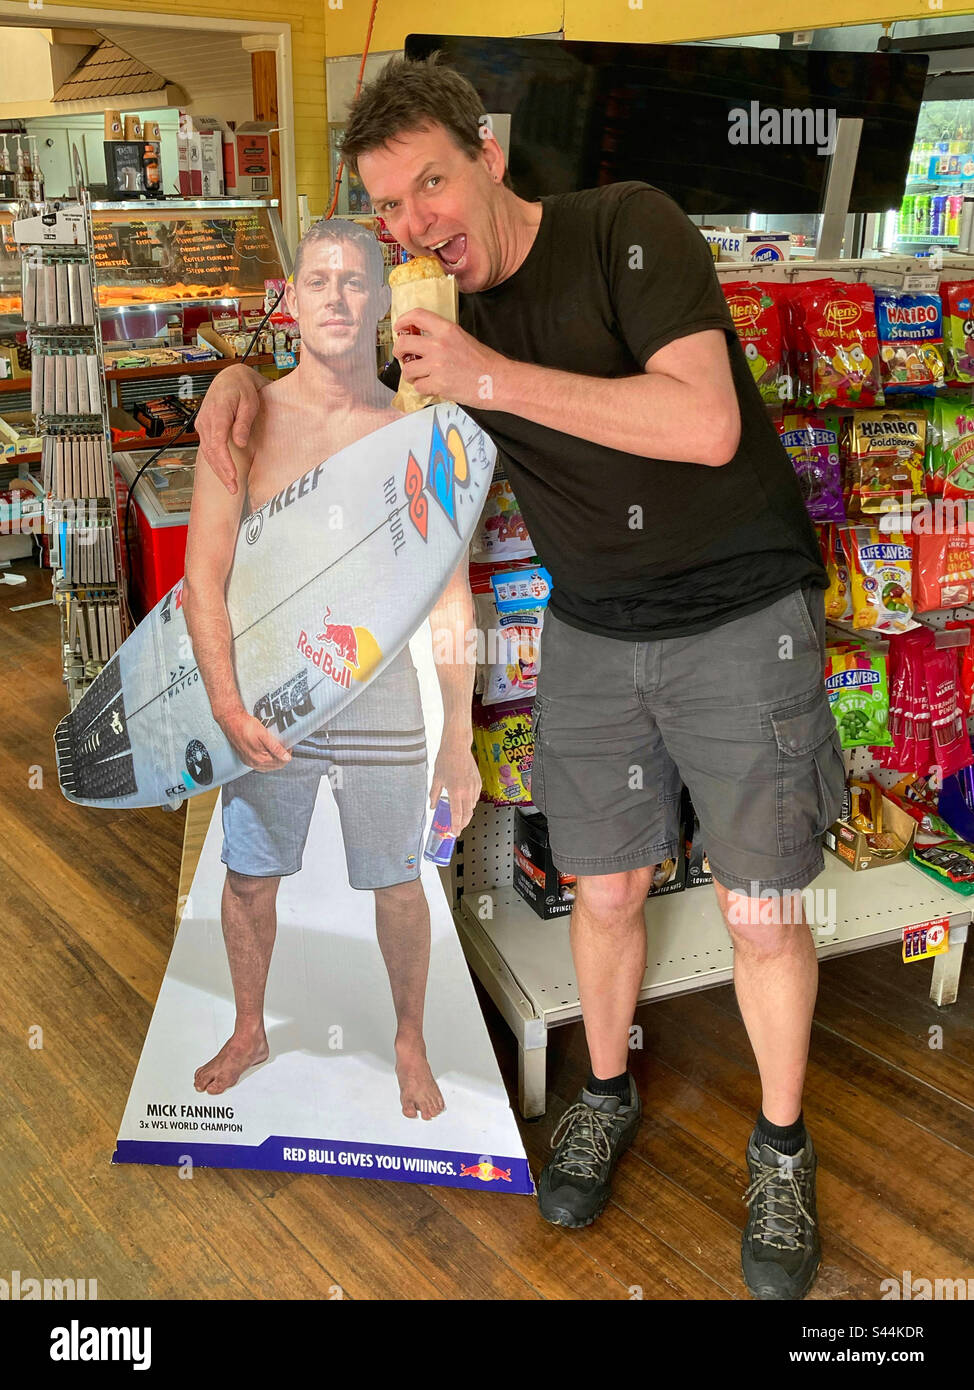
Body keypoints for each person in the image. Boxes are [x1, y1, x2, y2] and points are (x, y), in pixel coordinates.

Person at [194, 54, 844, 1301]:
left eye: (430, 185)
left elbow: (703, 423)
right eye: (387, 208)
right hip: (593, 629)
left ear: (487, 156)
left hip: (734, 613)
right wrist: (234, 380)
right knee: (603, 892)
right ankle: (602, 1094)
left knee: (761, 906)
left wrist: (487, 380)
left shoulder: (624, 229)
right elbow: (321, 390)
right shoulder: (426, 308)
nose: (411, 226)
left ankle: (777, 1144)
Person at [182, 215, 480, 1121]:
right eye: (320, 280)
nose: (339, 297)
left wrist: (458, 740)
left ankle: (409, 1039)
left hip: (382, 695)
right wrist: (228, 706)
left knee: (398, 880)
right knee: (250, 876)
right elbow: (205, 576)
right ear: (294, 299)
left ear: (384, 299)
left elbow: (452, 597)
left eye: (358, 281)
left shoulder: (420, 428)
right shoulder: (248, 417)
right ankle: (248, 1027)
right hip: (270, 691)